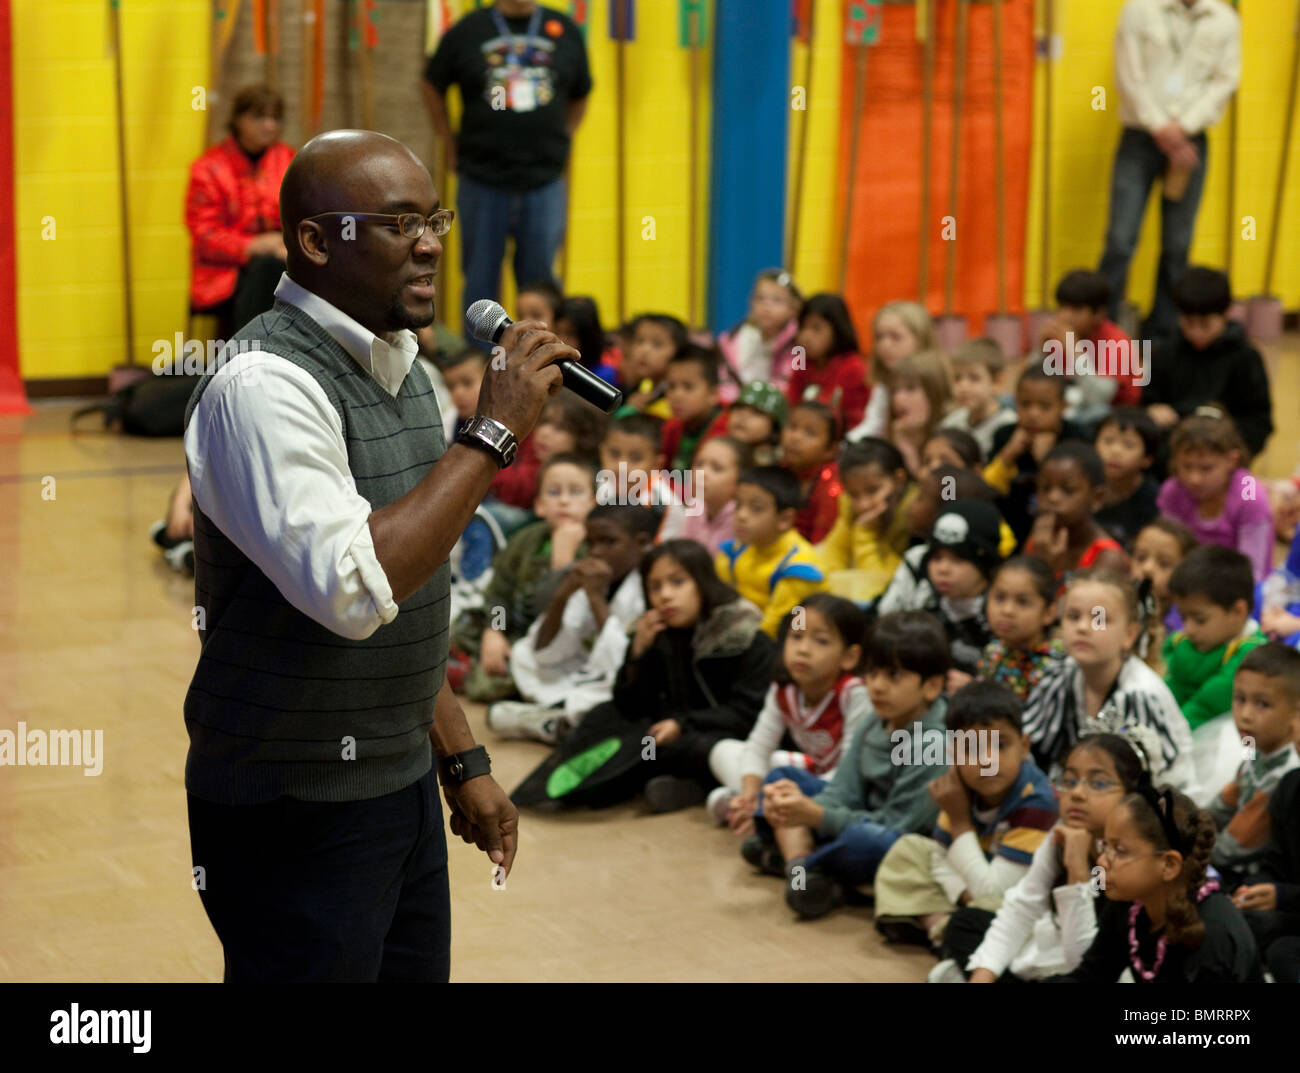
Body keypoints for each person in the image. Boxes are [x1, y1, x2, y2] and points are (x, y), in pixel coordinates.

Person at [181, 129, 569, 981]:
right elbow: (356, 591)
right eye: (398, 222)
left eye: (434, 217)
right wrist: (493, 433)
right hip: (292, 802)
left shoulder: (408, 368)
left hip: (396, 787)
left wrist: (459, 757)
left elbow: (411, 592)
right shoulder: (263, 386)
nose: (431, 240)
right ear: (316, 241)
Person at [518, 539, 775, 813]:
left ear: (702, 582)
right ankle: (683, 785)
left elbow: (750, 712)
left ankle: (694, 787)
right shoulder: (657, 631)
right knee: (604, 718)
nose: (665, 595)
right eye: (655, 587)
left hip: (724, 735)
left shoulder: (743, 634)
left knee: (699, 747)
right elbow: (629, 704)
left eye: (677, 582)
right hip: (668, 733)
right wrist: (637, 652)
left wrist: (683, 724)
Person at [753, 612, 952, 920]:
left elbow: (897, 827)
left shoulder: (934, 744)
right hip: (859, 819)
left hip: (904, 842)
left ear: (931, 686)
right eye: (872, 673)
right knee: (782, 779)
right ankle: (802, 870)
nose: (877, 686)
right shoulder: (877, 719)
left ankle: (797, 858)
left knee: (867, 841)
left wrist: (814, 816)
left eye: (893, 676)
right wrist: (803, 806)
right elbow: (842, 791)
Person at [422, 0, 592, 341]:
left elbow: (581, 93)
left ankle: (539, 357)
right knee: (480, 280)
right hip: (482, 179)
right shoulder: (469, 30)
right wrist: (447, 140)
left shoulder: (565, 30)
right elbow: (431, 83)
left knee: (541, 283)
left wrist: (564, 139)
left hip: (544, 182)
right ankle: (479, 368)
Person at [872, 682, 1058, 953]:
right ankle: (944, 926)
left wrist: (959, 822)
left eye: (1000, 745)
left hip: (1016, 895)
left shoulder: (1036, 802)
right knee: (908, 851)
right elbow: (938, 856)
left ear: (1024, 746)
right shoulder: (958, 789)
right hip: (971, 885)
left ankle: (938, 926)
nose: (987, 761)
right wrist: (964, 894)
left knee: (1002, 908)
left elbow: (994, 891)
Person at [960, 731, 1157, 983]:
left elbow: (1089, 966)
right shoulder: (1063, 833)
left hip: (1107, 972)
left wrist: (1078, 872)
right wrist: (982, 977)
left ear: (1132, 794)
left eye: (1097, 783)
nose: (1077, 794)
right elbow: (1023, 906)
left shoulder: (1131, 855)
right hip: (1060, 944)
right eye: (1069, 780)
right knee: (966, 924)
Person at [1097, 0, 1242, 342]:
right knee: (1120, 238)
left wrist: (1184, 127)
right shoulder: (1139, 9)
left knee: (1177, 244)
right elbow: (1128, 75)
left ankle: (1164, 332)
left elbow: (1225, 81)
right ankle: (1104, 330)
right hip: (1140, 137)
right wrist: (1161, 128)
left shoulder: (1224, 19)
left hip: (1191, 143)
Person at [1046, 785, 1262, 982]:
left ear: (1168, 864)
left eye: (1119, 851)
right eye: (1105, 846)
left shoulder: (1213, 935)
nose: (1102, 861)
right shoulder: (1132, 903)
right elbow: (1092, 976)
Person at [488, 503, 658, 744]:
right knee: (522, 653)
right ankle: (557, 720)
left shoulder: (653, 582)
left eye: (608, 542)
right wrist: (564, 593)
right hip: (587, 674)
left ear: (641, 543)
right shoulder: (592, 578)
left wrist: (596, 598)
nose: (596, 552)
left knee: (611, 700)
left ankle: (549, 721)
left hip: (626, 680)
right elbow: (545, 652)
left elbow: (622, 664)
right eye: (590, 543)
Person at [1022, 568, 1197, 794]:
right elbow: (1032, 751)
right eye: (1073, 616)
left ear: (1130, 635)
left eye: (1099, 619)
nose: (1083, 627)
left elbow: (1146, 789)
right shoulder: (1059, 674)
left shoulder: (1140, 695)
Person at [707, 594, 871, 827]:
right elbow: (759, 747)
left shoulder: (854, 694)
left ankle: (753, 807)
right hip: (810, 773)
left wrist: (786, 791)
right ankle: (748, 803)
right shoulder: (784, 689)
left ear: (849, 656)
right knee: (723, 750)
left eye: (821, 641)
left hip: (844, 787)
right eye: (796, 637)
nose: (803, 649)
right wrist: (750, 792)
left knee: (783, 778)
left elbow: (849, 771)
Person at [452, 452, 597, 702]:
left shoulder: (596, 547)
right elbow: (499, 593)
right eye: (554, 492)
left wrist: (562, 564)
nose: (564, 500)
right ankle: (475, 661)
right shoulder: (525, 539)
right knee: (460, 628)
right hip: (514, 631)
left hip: (560, 646)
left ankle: (470, 672)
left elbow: (567, 617)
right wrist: (495, 632)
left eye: (575, 492)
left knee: (487, 686)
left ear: (593, 503)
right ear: (539, 505)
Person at [185, 84, 294, 339]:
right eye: (259, 117)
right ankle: (250, 355)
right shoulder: (208, 168)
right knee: (267, 268)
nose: (269, 126)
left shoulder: (290, 160)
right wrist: (256, 246)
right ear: (238, 119)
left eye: (275, 118)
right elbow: (205, 236)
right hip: (224, 271)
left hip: (283, 259)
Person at [1143, 266, 1274, 458]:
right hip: (1172, 451)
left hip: (1222, 454)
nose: (1196, 332)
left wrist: (1226, 441)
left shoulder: (1245, 357)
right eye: (1188, 322)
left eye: (1205, 324)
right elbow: (1147, 400)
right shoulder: (1165, 351)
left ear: (1225, 315)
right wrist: (1152, 411)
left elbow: (1259, 422)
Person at [1208, 643, 1300, 889]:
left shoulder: (1286, 775)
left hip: (1254, 883)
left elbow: (1229, 851)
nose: (1245, 714)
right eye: (1240, 699)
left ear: (1296, 711)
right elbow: (1218, 810)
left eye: (1263, 704)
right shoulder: (1254, 754)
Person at [877, 498, 1001, 679]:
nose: (942, 569)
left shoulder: (1000, 612)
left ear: (984, 565)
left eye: (958, 559)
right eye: (936, 558)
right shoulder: (923, 592)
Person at [1157, 413, 1274, 584]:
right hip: (1186, 582)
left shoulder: (1250, 494)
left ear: (1232, 460)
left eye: (1206, 468)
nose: (1194, 478)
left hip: (1237, 588)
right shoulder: (1173, 490)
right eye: (1186, 466)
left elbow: (1252, 572)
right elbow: (1166, 552)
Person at [715, 466, 829, 639]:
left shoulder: (798, 569)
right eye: (738, 504)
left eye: (756, 508)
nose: (741, 515)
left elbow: (774, 631)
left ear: (785, 519)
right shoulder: (734, 551)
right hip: (741, 635)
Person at [985, 364, 1089, 548]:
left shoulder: (1077, 438)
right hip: (1011, 527)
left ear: (1063, 406)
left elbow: (1080, 492)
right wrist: (1007, 455)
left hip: (1063, 529)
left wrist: (1046, 460)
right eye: (1025, 404)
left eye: (1044, 407)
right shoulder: (1004, 435)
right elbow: (986, 489)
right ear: (1015, 402)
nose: (1033, 414)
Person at [816, 438, 917, 602]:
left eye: (873, 490)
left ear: (899, 479)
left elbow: (878, 587)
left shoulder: (913, 513)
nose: (863, 504)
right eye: (854, 494)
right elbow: (833, 553)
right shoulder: (849, 505)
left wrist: (865, 533)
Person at [1024, 441, 1127, 584]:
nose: (1053, 498)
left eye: (1068, 490)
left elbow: (1093, 607)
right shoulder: (1040, 539)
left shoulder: (1108, 557)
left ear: (1097, 498)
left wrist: (1047, 569)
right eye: (1046, 488)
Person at [976, 556, 1063, 701]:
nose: (1007, 610)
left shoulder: (1056, 665)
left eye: (1022, 602)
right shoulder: (993, 652)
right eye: (1000, 598)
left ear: (1049, 613)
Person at [849, 299, 934, 441]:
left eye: (895, 337)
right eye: (879, 337)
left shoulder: (934, 379)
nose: (885, 345)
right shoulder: (883, 383)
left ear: (921, 339)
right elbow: (873, 425)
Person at [784, 293, 870, 432]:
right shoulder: (801, 359)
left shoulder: (853, 366)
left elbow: (838, 418)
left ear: (837, 330)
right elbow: (790, 403)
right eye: (803, 327)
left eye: (816, 328)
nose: (806, 336)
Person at [717, 268, 803, 401]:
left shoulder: (800, 346)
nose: (766, 306)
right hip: (739, 408)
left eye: (777, 300)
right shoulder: (734, 340)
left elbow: (798, 382)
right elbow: (725, 382)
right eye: (760, 298)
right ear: (751, 303)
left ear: (793, 309)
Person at [658, 437, 750, 555]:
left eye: (716, 468)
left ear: (741, 480)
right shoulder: (696, 506)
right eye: (699, 464)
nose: (702, 473)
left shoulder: (741, 519)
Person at [1094, 406, 1161, 547]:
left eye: (1128, 445)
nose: (1115, 451)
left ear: (1147, 458)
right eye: (1108, 441)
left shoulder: (1154, 500)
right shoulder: (1083, 482)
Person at [939, 339, 1015, 459]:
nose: (963, 386)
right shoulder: (951, 424)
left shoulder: (1009, 425)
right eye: (957, 378)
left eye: (974, 378)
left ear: (997, 382)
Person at [780, 401, 843, 544]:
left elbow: (822, 544)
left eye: (810, 433)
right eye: (792, 427)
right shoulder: (780, 468)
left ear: (830, 450)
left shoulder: (830, 484)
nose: (795, 437)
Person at [660, 345, 728, 473]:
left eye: (688, 387)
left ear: (713, 394)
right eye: (671, 386)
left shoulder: (729, 430)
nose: (677, 395)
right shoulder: (670, 428)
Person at [887, 350, 953, 479]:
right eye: (894, 390)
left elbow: (947, 494)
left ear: (936, 392)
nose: (897, 399)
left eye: (910, 388)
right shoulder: (896, 436)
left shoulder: (952, 442)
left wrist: (911, 457)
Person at [616, 313, 686, 419]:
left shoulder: (677, 398)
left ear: (677, 353)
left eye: (657, 344)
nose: (644, 350)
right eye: (640, 341)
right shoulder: (644, 386)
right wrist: (630, 409)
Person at [726, 380, 788, 466]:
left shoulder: (777, 469)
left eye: (757, 412)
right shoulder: (715, 450)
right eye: (739, 408)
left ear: (774, 429)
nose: (743, 416)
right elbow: (700, 478)